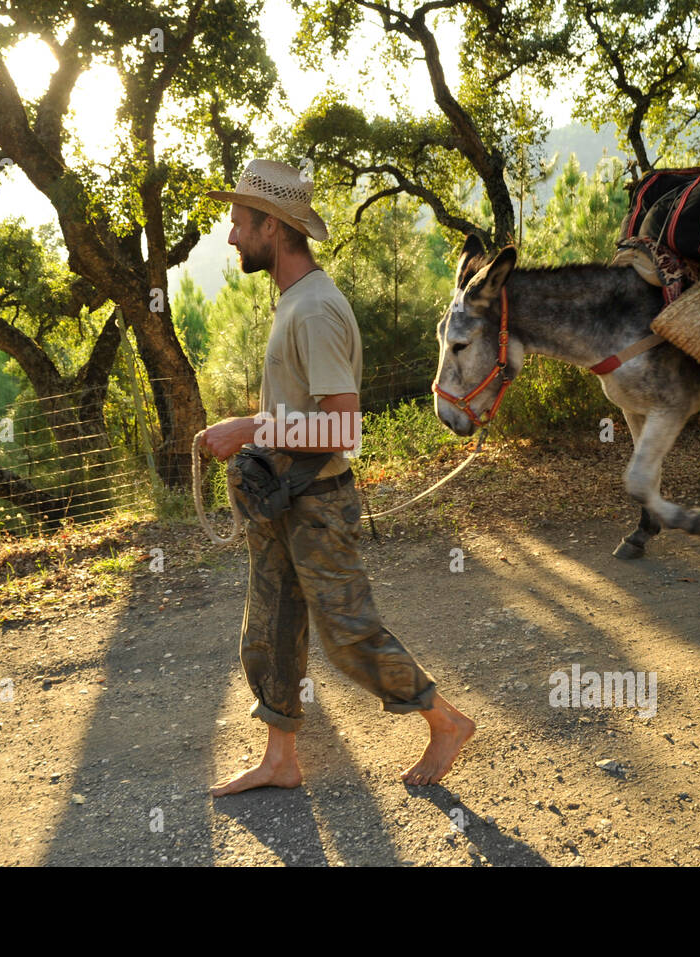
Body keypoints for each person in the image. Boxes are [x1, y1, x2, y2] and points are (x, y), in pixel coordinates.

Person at [199, 159, 475, 796]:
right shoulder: (295, 300)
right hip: (280, 499)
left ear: (273, 226)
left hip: (318, 503)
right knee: (270, 627)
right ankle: (281, 760)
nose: (232, 235)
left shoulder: (316, 310)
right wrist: (259, 436)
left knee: (348, 636)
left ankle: (446, 721)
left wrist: (248, 429)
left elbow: (343, 429)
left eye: (240, 222)